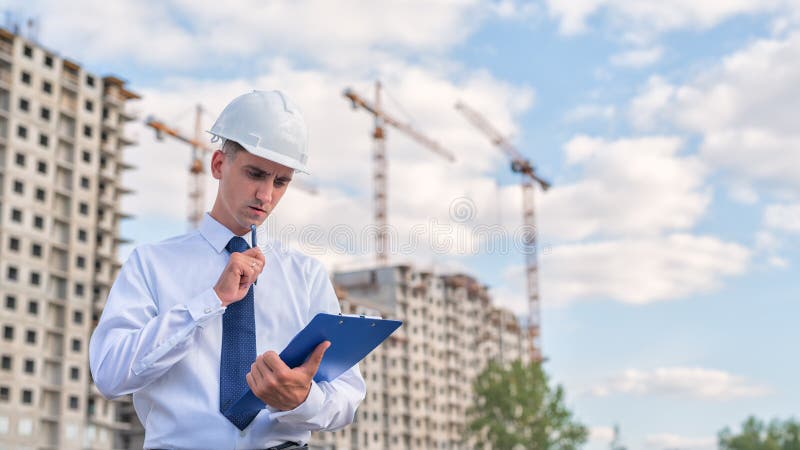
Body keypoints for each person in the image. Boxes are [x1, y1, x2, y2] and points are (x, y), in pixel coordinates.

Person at [89, 90, 365, 450]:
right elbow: (109, 374)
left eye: (280, 182)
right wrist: (211, 300)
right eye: (255, 174)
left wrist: (302, 399)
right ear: (219, 164)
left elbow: (347, 394)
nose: (266, 195)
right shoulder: (152, 264)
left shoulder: (307, 275)